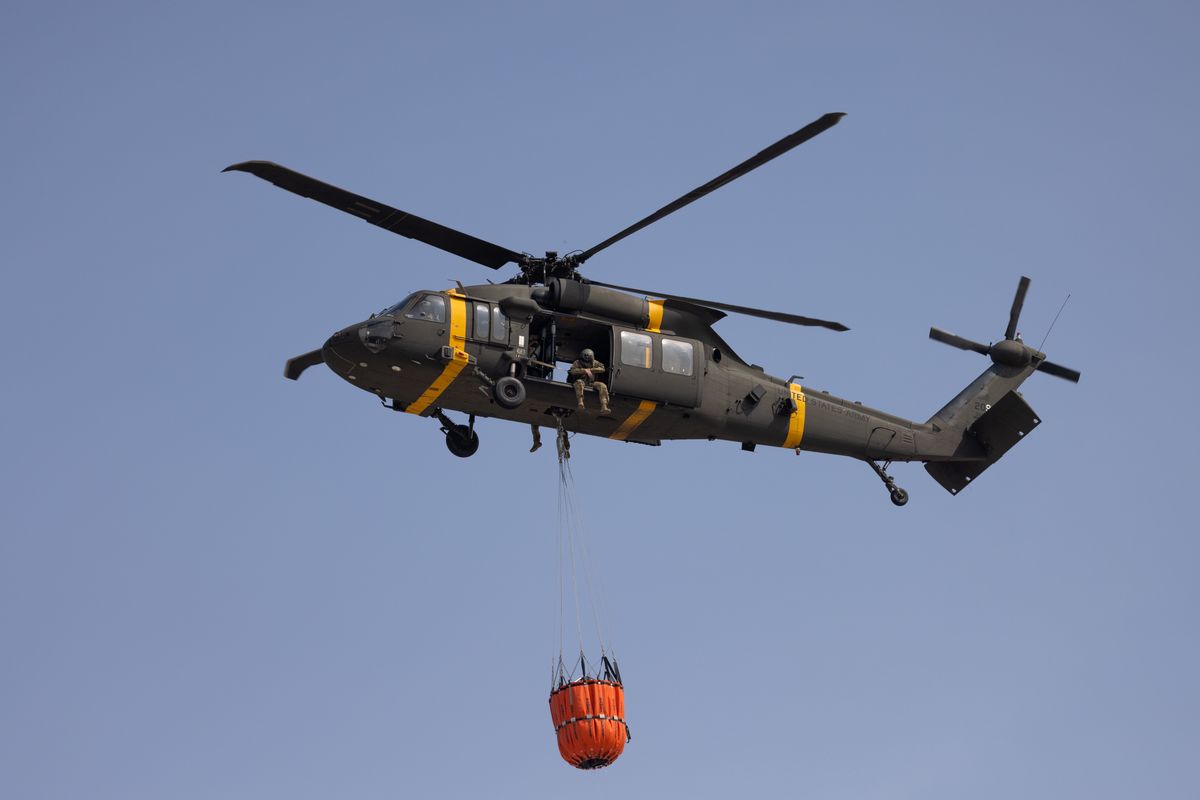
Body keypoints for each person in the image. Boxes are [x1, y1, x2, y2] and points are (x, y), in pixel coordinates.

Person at [569, 348, 610, 414]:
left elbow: (602, 369)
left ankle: (604, 406)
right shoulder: (577, 362)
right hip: (581, 381)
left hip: (592, 382)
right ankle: (580, 402)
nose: (587, 360)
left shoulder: (595, 363)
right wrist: (583, 371)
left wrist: (590, 370)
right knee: (579, 383)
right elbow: (573, 371)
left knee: (602, 385)